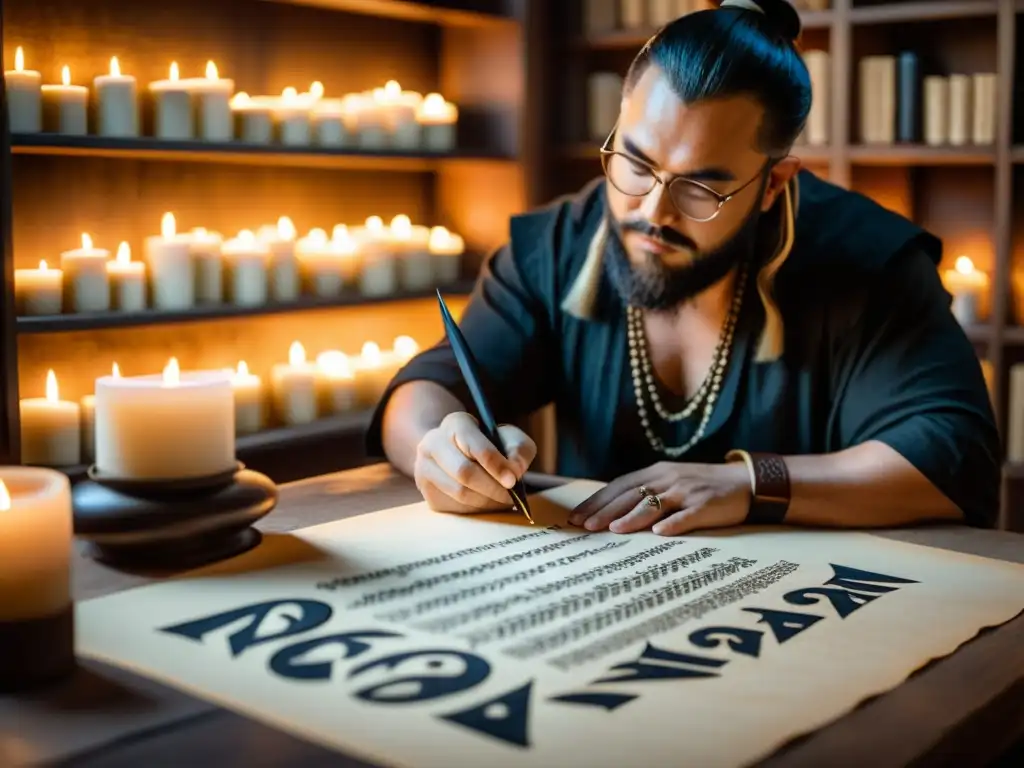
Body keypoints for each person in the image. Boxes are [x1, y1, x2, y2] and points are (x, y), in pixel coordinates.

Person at [365, 0, 1001, 535]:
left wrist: (751, 483)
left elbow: (951, 455)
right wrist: (438, 445)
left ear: (774, 183)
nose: (652, 211)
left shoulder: (869, 260)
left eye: (700, 189)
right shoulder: (559, 243)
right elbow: (425, 387)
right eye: (636, 164)